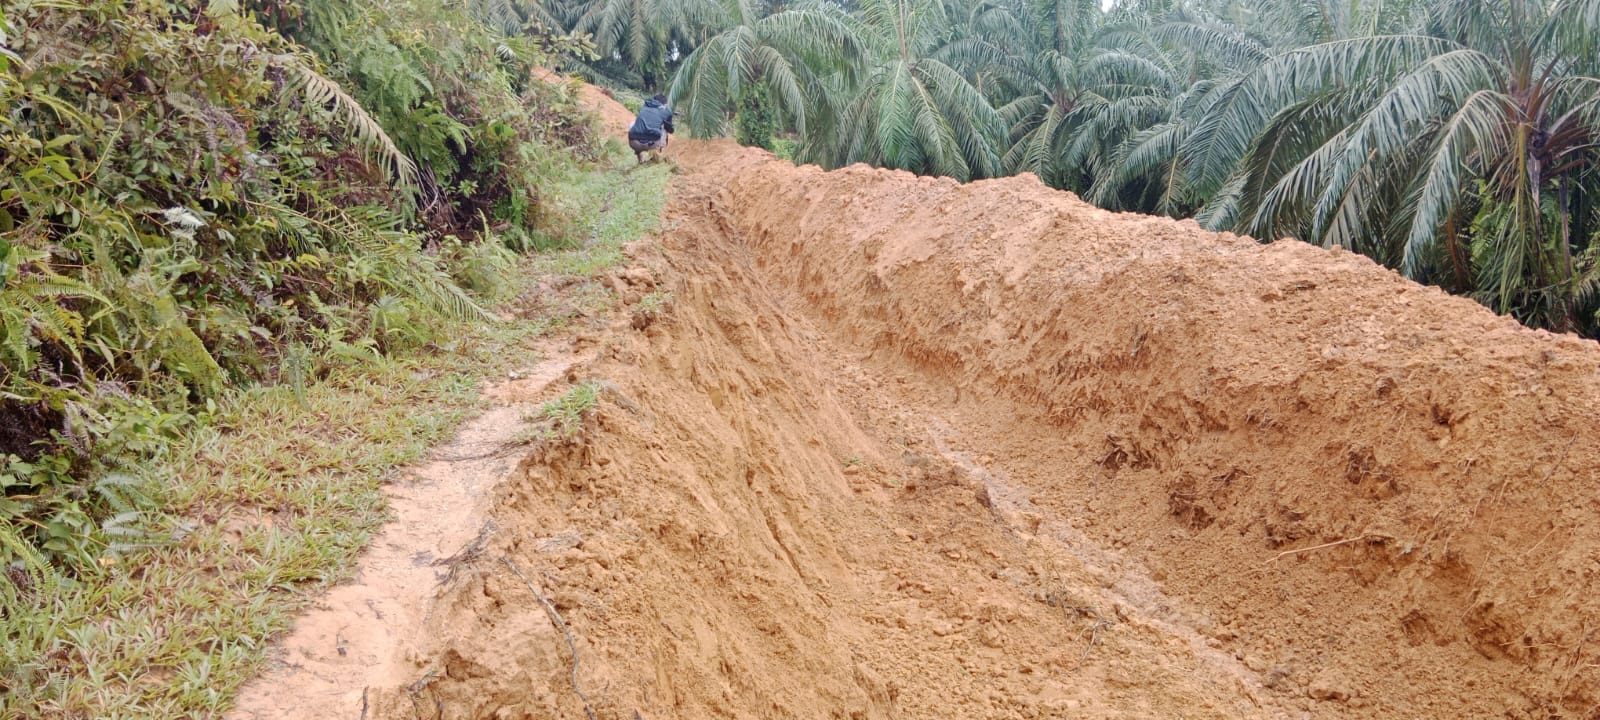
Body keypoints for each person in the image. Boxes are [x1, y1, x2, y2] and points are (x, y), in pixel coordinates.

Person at [628, 94, 675, 164]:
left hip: (634, 144)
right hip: (651, 146)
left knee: (634, 124)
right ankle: (658, 154)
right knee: (664, 129)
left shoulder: (645, 106)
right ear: (665, 104)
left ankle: (640, 159)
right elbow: (670, 130)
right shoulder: (666, 111)